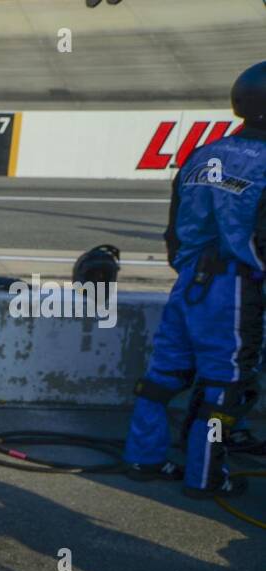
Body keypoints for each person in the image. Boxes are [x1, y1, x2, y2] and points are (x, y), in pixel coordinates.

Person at [123, 61, 265, 498]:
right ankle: (205, 478)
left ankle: (142, 458)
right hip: (239, 291)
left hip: (188, 284)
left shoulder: (204, 154)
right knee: (226, 389)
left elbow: (172, 232)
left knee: (162, 376)